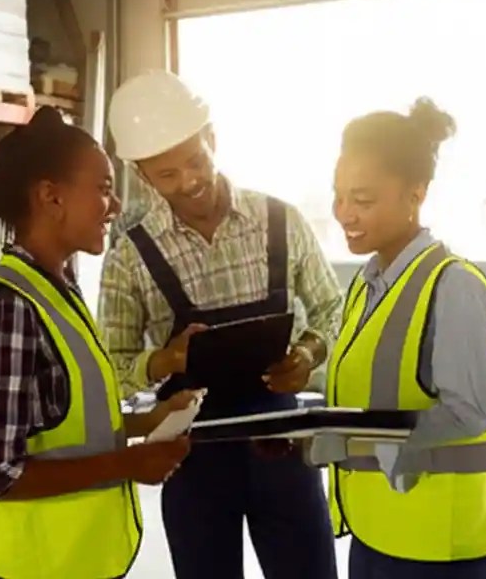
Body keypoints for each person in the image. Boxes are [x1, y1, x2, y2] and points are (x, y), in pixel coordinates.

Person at [98, 70, 343, 579]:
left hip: (283, 447)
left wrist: (308, 355)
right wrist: (164, 361)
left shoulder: (281, 222)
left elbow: (330, 309)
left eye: (195, 159)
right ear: (142, 176)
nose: (189, 180)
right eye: (167, 174)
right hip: (192, 456)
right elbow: (110, 370)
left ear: (212, 138)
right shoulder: (129, 257)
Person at [0, 106, 197, 579]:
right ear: (51, 196)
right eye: (104, 189)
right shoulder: (10, 307)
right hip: (35, 565)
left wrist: (151, 419)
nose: (115, 206)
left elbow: (66, 421)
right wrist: (128, 463)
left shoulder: (57, 290)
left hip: (77, 561)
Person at [326, 98, 486, 579]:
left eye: (363, 199)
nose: (345, 214)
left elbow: (467, 413)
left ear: (416, 194)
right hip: (380, 527)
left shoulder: (453, 286)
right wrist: (318, 434)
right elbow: (368, 390)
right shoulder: (368, 283)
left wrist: (354, 437)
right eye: (339, 196)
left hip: (441, 544)